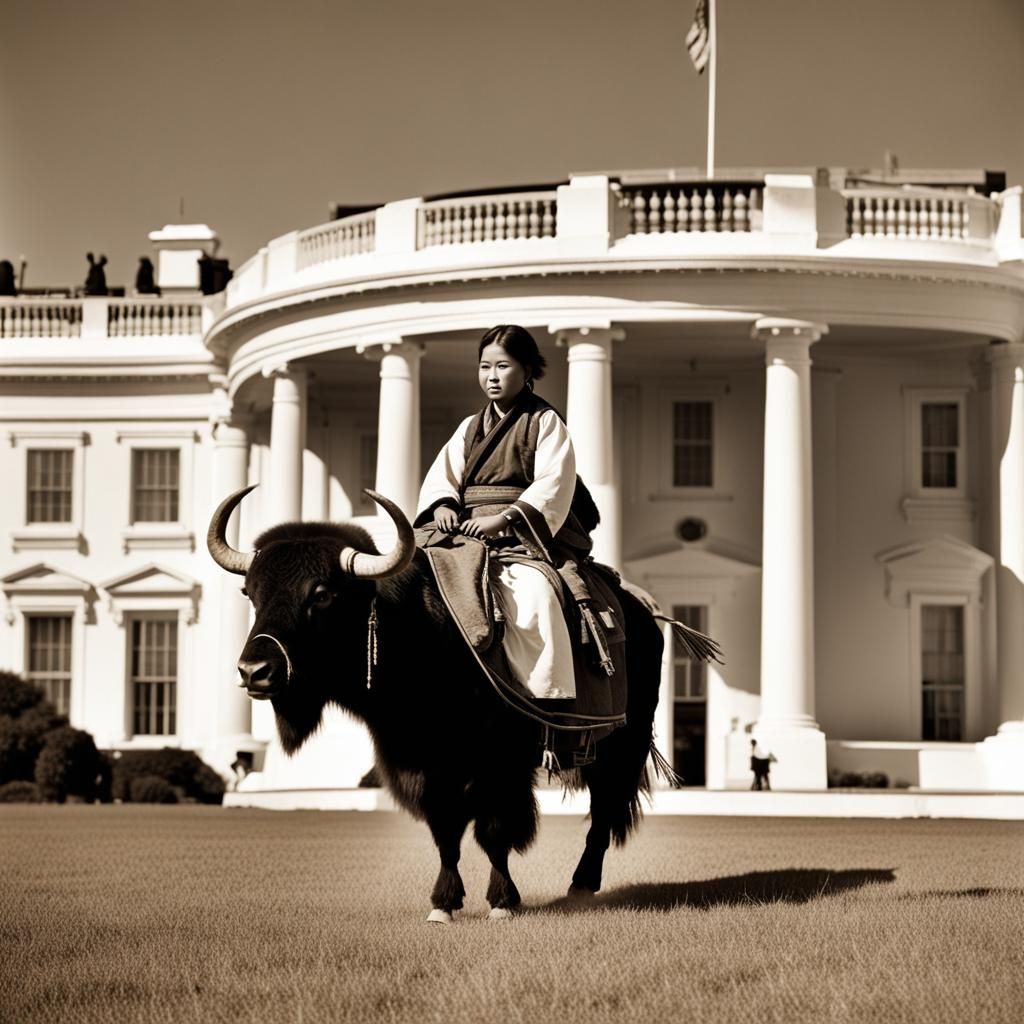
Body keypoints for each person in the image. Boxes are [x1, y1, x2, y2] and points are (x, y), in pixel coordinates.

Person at [416, 324, 582, 700]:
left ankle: (547, 698)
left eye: (503, 366)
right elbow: (443, 475)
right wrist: (443, 504)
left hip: (519, 537)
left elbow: (553, 483)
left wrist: (504, 519)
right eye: (484, 366)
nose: (491, 376)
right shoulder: (469, 427)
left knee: (536, 593)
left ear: (527, 371)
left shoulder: (545, 422)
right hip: (463, 532)